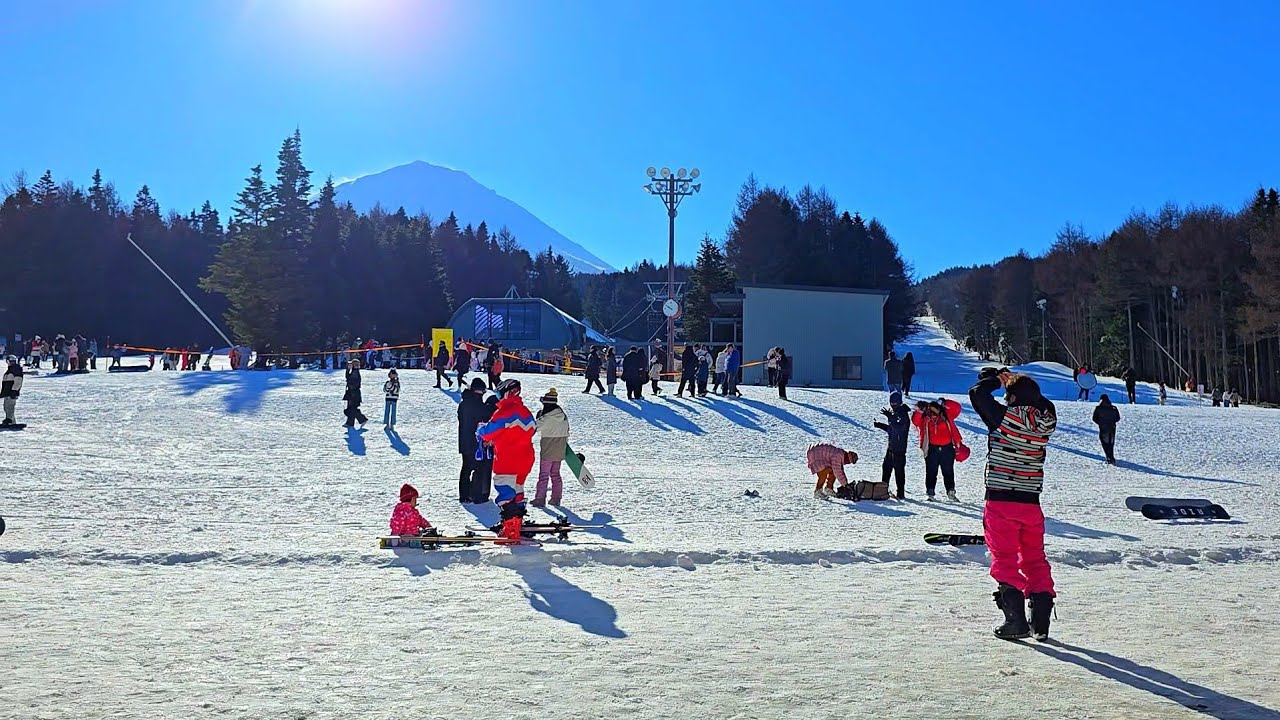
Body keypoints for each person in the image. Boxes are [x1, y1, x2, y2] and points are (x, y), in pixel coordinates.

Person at [969, 367, 1058, 641]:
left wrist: (998, 380)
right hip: (1031, 503)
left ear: (1013, 397)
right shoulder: (1046, 423)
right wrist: (1019, 386)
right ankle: (1040, 624)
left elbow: (977, 394)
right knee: (1034, 559)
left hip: (1001, 502)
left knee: (1005, 559)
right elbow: (1046, 404)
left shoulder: (1004, 418)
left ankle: (1015, 621)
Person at [477, 379, 537, 540]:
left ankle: (511, 528)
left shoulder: (505, 411)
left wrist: (481, 428)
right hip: (526, 457)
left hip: (508, 457)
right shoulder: (525, 411)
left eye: (498, 393)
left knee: (505, 491)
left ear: (506, 393)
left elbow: (488, 432)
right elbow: (533, 428)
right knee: (517, 490)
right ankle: (517, 522)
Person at [911, 397, 963, 501]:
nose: (934, 412)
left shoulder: (947, 416)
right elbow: (915, 421)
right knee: (931, 471)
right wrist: (919, 411)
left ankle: (951, 492)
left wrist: (945, 403)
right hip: (932, 449)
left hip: (947, 448)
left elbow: (957, 408)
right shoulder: (925, 419)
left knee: (948, 471)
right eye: (931, 410)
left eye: (936, 409)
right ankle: (930, 493)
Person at [457, 378, 497, 503]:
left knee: (466, 469)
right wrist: (491, 405)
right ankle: (474, 494)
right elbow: (484, 416)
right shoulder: (477, 405)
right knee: (476, 468)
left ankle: (464, 495)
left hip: (464, 441)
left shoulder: (464, 403)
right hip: (475, 442)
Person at [534, 387, 570, 507]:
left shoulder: (546, 418)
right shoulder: (562, 415)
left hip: (548, 448)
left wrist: (538, 416)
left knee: (544, 475)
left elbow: (535, 427)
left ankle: (540, 499)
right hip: (560, 448)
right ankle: (556, 498)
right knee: (555, 474)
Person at [874, 391, 910, 499]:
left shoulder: (903, 414)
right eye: (891, 403)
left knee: (899, 472)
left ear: (900, 402)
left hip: (899, 449)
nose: (893, 405)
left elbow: (899, 429)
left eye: (895, 403)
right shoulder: (895, 414)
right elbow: (892, 429)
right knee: (886, 468)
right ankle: (883, 490)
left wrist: (890, 417)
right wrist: (880, 425)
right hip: (891, 447)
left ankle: (900, 493)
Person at [1091, 394, 1120, 464]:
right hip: (1112, 428)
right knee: (1111, 443)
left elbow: (1094, 418)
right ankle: (1111, 457)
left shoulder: (1098, 408)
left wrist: (1101, 423)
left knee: (1105, 443)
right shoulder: (1113, 408)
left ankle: (1108, 457)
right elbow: (1117, 418)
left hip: (1103, 428)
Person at [343, 358, 368, 428]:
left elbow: (352, 383)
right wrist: (347, 370)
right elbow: (348, 377)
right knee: (351, 408)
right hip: (353, 393)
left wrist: (350, 387)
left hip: (354, 393)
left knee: (352, 408)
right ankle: (350, 423)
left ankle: (362, 419)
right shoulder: (354, 371)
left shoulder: (355, 373)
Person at [2, 356, 24, 426]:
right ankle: (11, 421)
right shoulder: (10, 369)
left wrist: (14, 391)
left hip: (12, 392)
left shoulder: (16, 369)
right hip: (7, 392)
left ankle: (9, 420)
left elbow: (18, 381)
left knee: (10, 407)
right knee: (6, 407)